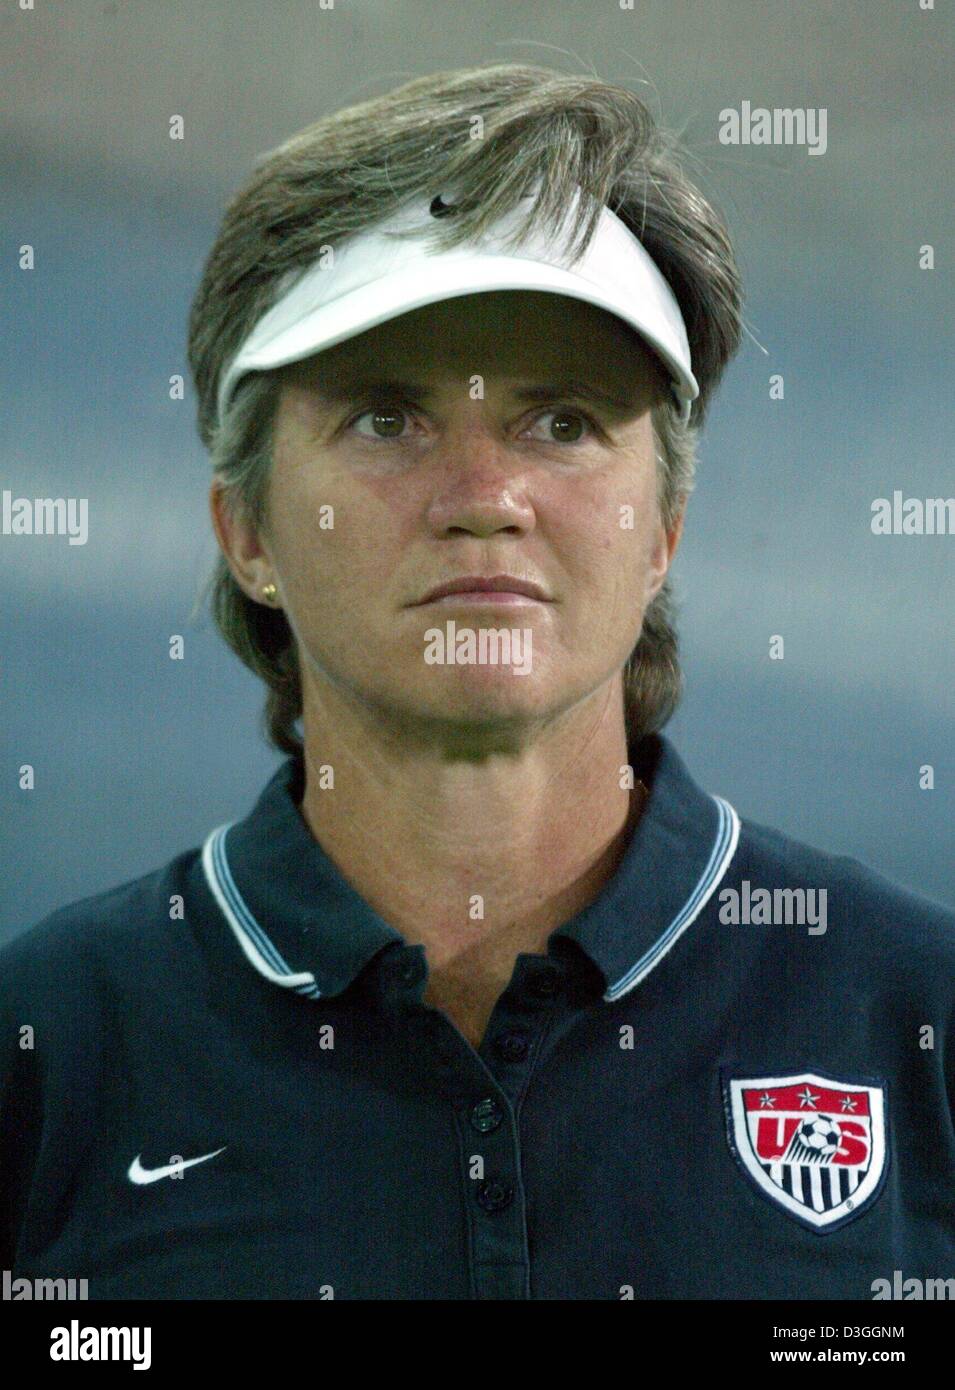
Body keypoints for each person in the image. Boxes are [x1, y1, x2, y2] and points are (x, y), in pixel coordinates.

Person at [2, 64, 953, 1302]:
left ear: (662, 525)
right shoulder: (52, 1045)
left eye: (561, 421)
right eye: (387, 418)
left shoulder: (910, 1014)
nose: (485, 497)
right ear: (247, 534)